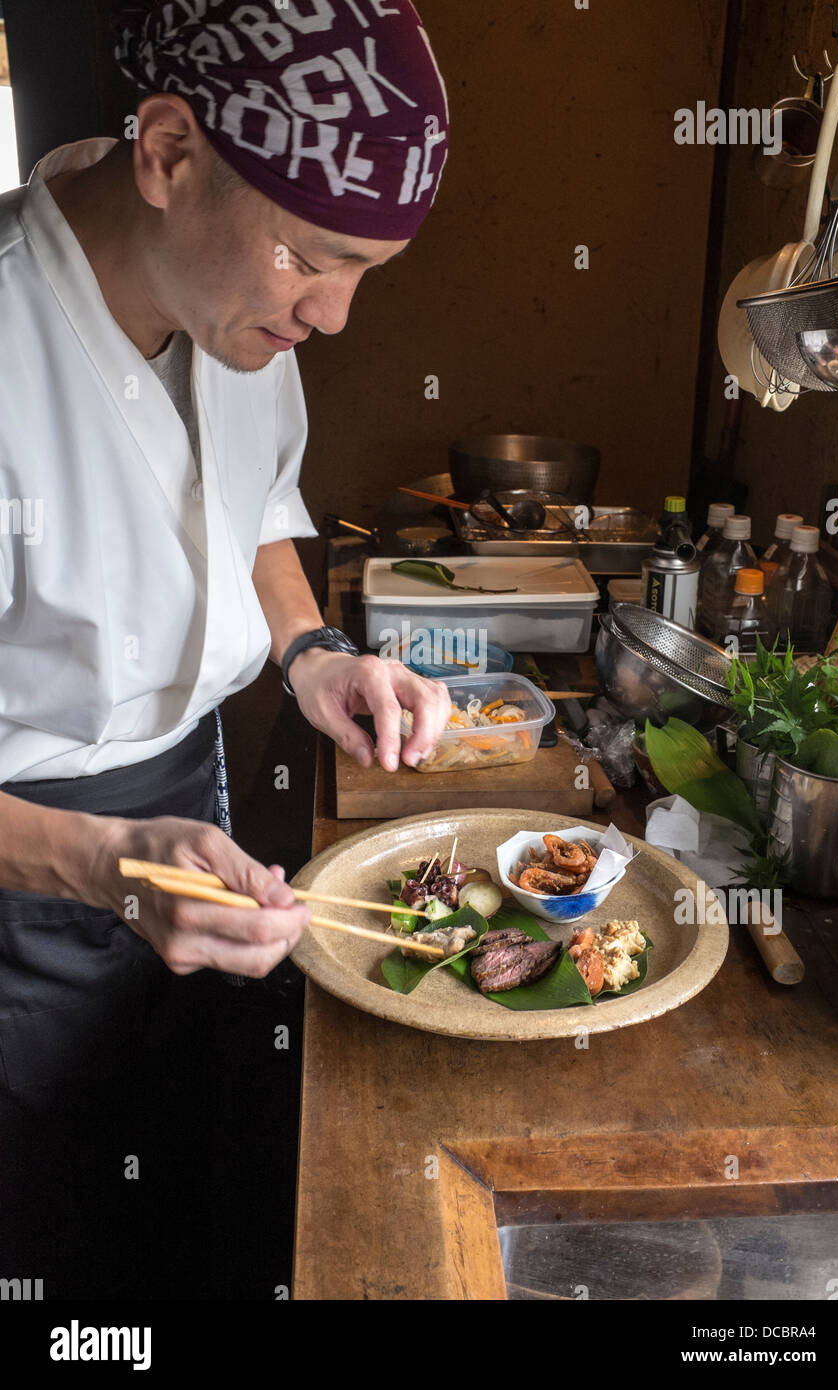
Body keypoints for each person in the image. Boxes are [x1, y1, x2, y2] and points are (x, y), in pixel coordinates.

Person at [0, 0, 451, 1292]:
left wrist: (311, 652)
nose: (338, 314)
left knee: (174, 1197)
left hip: (177, 822)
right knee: (47, 1240)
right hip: (28, 864)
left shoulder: (238, 309)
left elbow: (248, 508)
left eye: (366, 268)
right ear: (166, 151)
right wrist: (101, 863)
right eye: (312, 256)